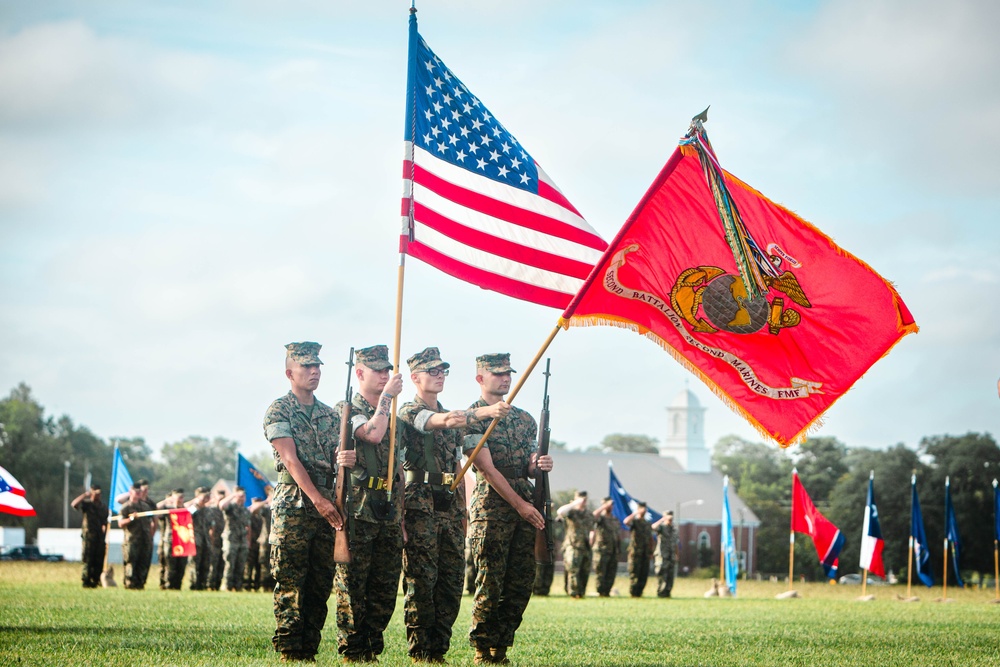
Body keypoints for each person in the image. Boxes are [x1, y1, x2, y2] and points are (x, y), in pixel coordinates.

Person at [264, 341, 355, 663]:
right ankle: (290, 647)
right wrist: (318, 500)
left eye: (317, 367)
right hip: (295, 503)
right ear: (290, 373)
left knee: (319, 582)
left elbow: (336, 459)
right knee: (290, 579)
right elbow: (290, 460)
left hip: (328, 501)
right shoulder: (279, 410)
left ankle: (309, 649)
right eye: (307, 367)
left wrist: (346, 458)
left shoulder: (331, 415)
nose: (314, 372)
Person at [464, 353, 552, 666]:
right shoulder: (473, 416)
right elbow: (486, 469)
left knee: (520, 582)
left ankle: (501, 646)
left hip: (524, 504)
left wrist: (537, 464)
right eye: (497, 373)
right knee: (490, 582)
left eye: (507, 373)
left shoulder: (524, 419)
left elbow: (528, 465)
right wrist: (521, 505)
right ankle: (482, 647)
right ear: (480, 378)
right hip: (492, 509)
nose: (505, 378)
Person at [396, 347, 468, 663]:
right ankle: (420, 649)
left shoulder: (450, 418)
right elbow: (433, 421)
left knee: (452, 580)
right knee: (421, 580)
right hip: (418, 502)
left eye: (442, 371)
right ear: (415, 377)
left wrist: (463, 511)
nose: (439, 376)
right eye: (432, 371)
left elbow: (459, 467)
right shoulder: (408, 410)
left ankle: (439, 649)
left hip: (449, 503)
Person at [334, 344, 404, 663]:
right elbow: (372, 435)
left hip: (387, 507)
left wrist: (401, 518)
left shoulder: (392, 416)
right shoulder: (350, 408)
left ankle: (372, 647)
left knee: (385, 585)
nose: (385, 375)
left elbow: (399, 467)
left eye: (387, 370)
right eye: (378, 370)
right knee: (353, 585)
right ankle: (353, 648)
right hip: (358, 506)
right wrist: (388, 397)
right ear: (359, 373)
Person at [557, 490, 594, 598]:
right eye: (581, 498)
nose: (583, 501)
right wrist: (574, 503)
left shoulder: (588, 514)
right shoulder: (571, 512)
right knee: (573, 569)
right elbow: (561, 512)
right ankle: (573, 593)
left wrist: (592, 536)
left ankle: (581, 593)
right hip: (572, 545)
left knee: (585, 570)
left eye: (584, 499)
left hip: (585, 546)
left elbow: (592, 527)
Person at [119, 481, 154, 589]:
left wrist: (151, 533)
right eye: (136, 491)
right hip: (132, 540)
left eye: (140, 491)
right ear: (131, 492)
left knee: (143, 562)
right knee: (131, 562)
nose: (138, 493)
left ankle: (140, 584)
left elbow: (151, 521)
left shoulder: (145, 506)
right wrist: (131, 519)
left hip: (145, 540)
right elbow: (120, 523)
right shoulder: (126, 507)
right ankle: (130, 584)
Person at [71, 484, 107, 588]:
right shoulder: (87, 505)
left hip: (100, 537)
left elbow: (105, 522)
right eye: (95, 493)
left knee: (99, 559)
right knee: (88, 559)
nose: (97, 496)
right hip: (89, 537)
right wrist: (85, 495)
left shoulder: (103, 507)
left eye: (99, 494)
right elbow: (74, 504)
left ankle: (95, 580)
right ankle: (86, 581)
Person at [219, 486, 251, 592]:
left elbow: (248, 526)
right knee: (230, 564)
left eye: (243, 496)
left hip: (242, 540)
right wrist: (233, 495)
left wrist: (248, 540)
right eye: (240, 496)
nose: (242, 498)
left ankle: (237, 586)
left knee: (241, 564)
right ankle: (227, 585)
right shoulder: (231, 507)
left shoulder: (245, 510)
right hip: (231, 539)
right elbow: (222, 505)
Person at [156, 488, 188, 590]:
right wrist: (168, 500)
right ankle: (168, 585)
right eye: (178, 497)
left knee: (181, 566)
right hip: (170, 540)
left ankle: (177, 586)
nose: (180, 499)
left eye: (182, 497)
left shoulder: (186, 509)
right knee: (170, 565)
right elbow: (156, 509)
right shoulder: (168, 509)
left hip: (183, 540)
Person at [591, 496, 621, 597]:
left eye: (611, 505)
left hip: (613, 550)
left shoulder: (614, 519)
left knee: (611, 572)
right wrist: (603, 507)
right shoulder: (600, 518)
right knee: (601, 573)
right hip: (602, 550)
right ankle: (600, 592)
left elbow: (618, 535)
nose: (611, 506)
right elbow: (593, 516)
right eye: (609, 504)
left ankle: (607, 592)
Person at [624, 502, 652, 598]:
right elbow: (626, 522)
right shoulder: (635, 522)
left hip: (645, 552)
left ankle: (640, 593)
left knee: (643, 573)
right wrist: (635, 513)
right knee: (635, 572)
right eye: (642, 509)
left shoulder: (648, 524)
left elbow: (650, 538)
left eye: (645, 509)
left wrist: (651, 551)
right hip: (635, 552)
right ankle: (633, 593)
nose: (644, 511)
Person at [186, 487, 213, 590]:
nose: (206, 499)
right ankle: (194, 585)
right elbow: (186, 513)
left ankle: (203, 584)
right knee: (194, 564)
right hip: (195, 541)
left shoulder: (208, 510)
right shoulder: (193, 509)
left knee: (205, 564)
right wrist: (196, 503)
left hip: (206, 540)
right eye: (204, 496)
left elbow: (211, 526)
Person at [652, 510, 679, 598]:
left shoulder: (674, 529)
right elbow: (653, 527)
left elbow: (676, 543)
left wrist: (676, 554)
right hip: (662, 555)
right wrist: (662, 519)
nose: (670, 520)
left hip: (671, 555)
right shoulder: (661, 527)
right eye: (668, 518)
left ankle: (668, 592)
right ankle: (661, 593)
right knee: (662, 574)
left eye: (671, 518)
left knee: (670, 575)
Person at [244, 497, 267, 591]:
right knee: (249, 564)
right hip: (251, 542)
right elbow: (253, 509)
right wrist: (265, 501)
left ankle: (257, 585)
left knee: (259, 564)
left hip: (261, 543)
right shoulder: (249, 512)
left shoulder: (263, 514)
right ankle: (247, 585)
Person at [205, 489, 226, 591]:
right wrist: (211, 541)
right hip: (213, 541)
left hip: (223, 541)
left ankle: (217, 585)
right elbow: (210, 528)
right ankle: (210, 584)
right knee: (213, 564)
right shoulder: (211, 510)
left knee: (221, 564)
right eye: (220, 498)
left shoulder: (225, 511)